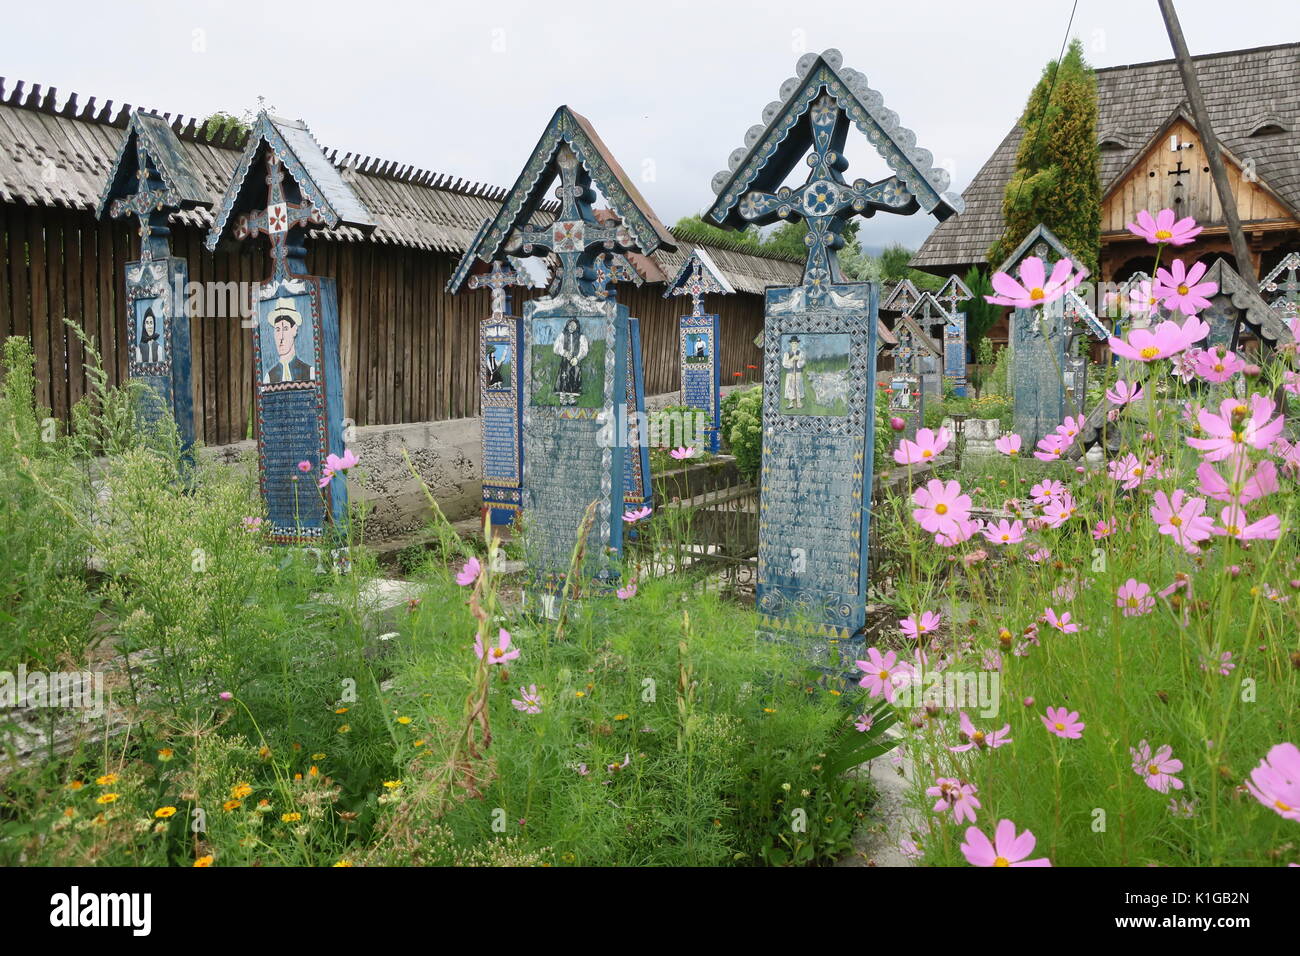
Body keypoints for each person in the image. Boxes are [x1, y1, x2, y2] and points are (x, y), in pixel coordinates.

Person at [263, 299, 314, 384]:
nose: (281, 337)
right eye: (277, 329)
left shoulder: (310, 372)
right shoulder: (268, 378)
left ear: (294, 330)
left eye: (285, 329)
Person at [553, 318, 588, 405]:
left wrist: (577, 358)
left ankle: (571, 398)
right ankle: (562, 398)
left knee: (574, 378)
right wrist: (564, 353)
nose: (571, 327)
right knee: (563, 378)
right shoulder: (562, 335)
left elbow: (584, 349)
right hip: (565, 361)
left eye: (574, 325)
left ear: (577, 326)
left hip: (575, 361)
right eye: (570, 325)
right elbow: (556, 347)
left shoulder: (581, 336)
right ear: (567, 326)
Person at [782, 336, 805, 410]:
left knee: (798, 386)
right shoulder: (787, 353)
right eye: (793, 343)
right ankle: (791, 403)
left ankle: (798, 403)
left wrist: (798, 360)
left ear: (797, 344)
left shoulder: (800, 353)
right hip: (790, 373)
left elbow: (802, 363)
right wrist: (792, 359)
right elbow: (784, 364)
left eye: (795, 343)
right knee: (790, 387)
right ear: (790, 344)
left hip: (798, 372)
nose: (794, 345)